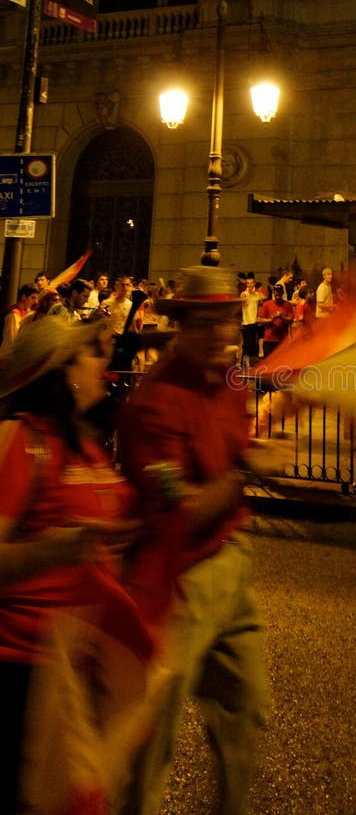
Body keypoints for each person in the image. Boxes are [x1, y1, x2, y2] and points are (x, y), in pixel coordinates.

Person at [116, 265, 269, 815]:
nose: (221, 335)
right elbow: (180, 512)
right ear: (180, 327)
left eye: (227, 321)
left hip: (233, 563)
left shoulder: (228, 380)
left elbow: (236, 447)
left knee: (246, 708)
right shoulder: (153, 405)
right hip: (177, 580)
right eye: (205, 324)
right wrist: (247, 470)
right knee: (151, 733)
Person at [0, 316, 149, 814]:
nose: (102, 360)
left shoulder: (87, 445)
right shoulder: (24, 440)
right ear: (61, 373)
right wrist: (61, 549)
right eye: (88, 353)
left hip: (76, 667)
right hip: (22, 670)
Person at [257, 282, 294, 357]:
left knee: (282, 362)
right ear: (273, 292)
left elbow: (291, 320)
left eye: (279, 291)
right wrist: (270, 320)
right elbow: (258, 320)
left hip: (282, 340)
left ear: (282, 292)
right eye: (276, 291)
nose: (278, 294)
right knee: (269, 363)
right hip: (269, 339)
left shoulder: (287, 305)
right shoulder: (267, 304)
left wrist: (282, 317)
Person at [1, 283, 38, 349]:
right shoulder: (13, 315)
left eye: (37, 298)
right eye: (33, 298)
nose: (36, 302)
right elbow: (13, 341)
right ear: (23, 297)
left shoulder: (26, 312)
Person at [239, 271, 265, 363]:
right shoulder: (244, 294)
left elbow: (261, 304)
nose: (249, 285)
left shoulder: (257, 294)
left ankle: (246, 362)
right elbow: (242, 299)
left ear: (254, 283)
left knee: (252, 345)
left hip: (254, 322)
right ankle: (244, 364)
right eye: (247, 283)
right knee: (246, 345)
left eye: (251, 283)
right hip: (246, 323)